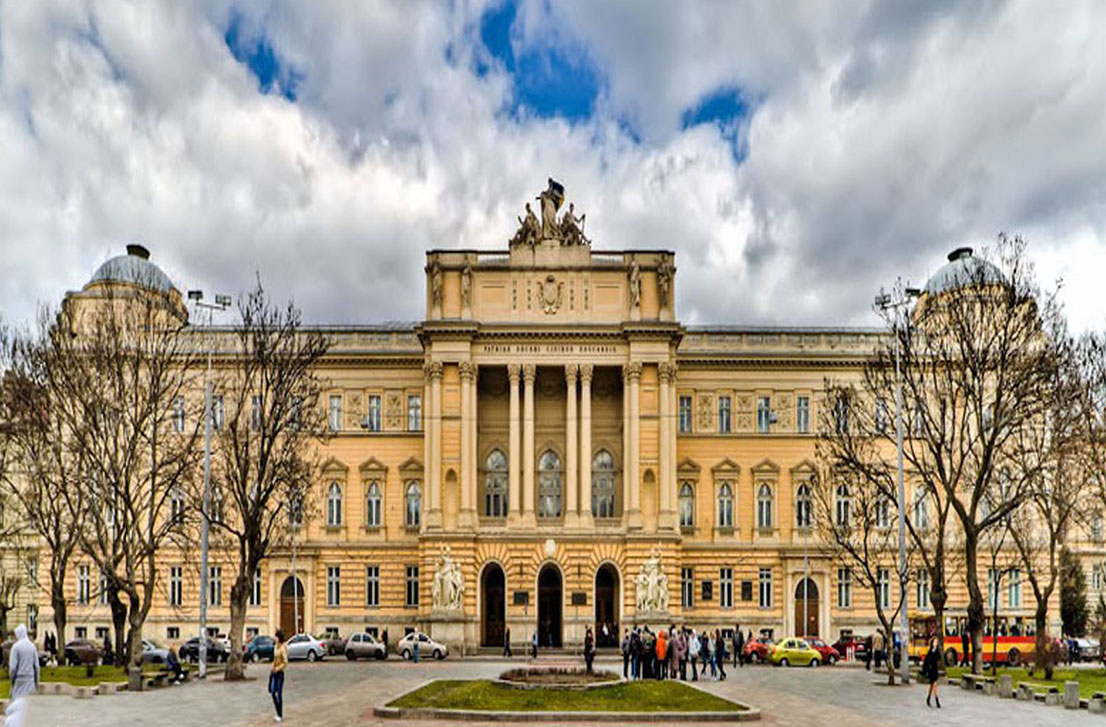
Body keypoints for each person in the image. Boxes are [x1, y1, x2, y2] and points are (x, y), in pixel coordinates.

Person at [7, 624, 39, 727]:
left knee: (17, 707)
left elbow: (12, 668)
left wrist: (12, 680)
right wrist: (36, 682)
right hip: (30, 680)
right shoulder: (32, 647)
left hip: (19, 680)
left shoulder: (16, 647)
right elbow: (36, 667)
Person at [269, 630, 287, 723]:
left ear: (279, 638)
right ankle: (278, 712)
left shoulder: (283, 648)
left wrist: (278, 668)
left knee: (279, 694)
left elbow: (285, 662)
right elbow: (274, 659)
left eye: (276, 636)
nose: (274, 638)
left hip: (280, 673)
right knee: (272, 692)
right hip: (274, 672)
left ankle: (280, 714)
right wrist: (272, 667)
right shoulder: (275, 647)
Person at [922, 636, 941, 708]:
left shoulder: (937, 651)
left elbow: (939, 658)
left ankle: (933, 699)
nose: (936, 643)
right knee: (932, 686)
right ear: (932, 643)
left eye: (937, 642)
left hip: (935, 670)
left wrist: (936, 650)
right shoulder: (930, 651)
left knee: (934, 685)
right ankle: (932, 699)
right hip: (931, 670)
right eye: (935, 642)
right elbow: (927, 661)